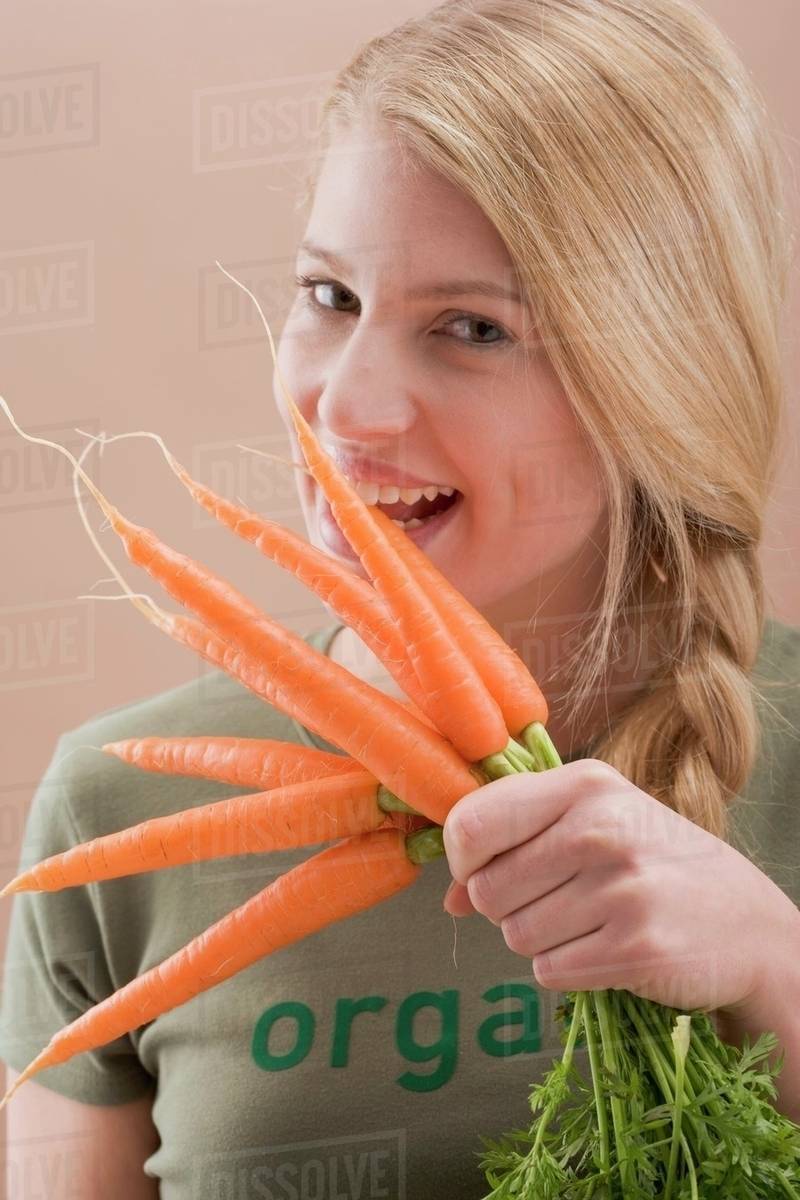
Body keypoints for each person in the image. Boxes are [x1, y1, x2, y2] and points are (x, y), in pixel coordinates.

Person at [2, 0, 799, 1196]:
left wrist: (772, 970)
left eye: (470, 328)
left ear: (654, 380)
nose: (346, 405)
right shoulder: (112, 813)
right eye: (328, 297)